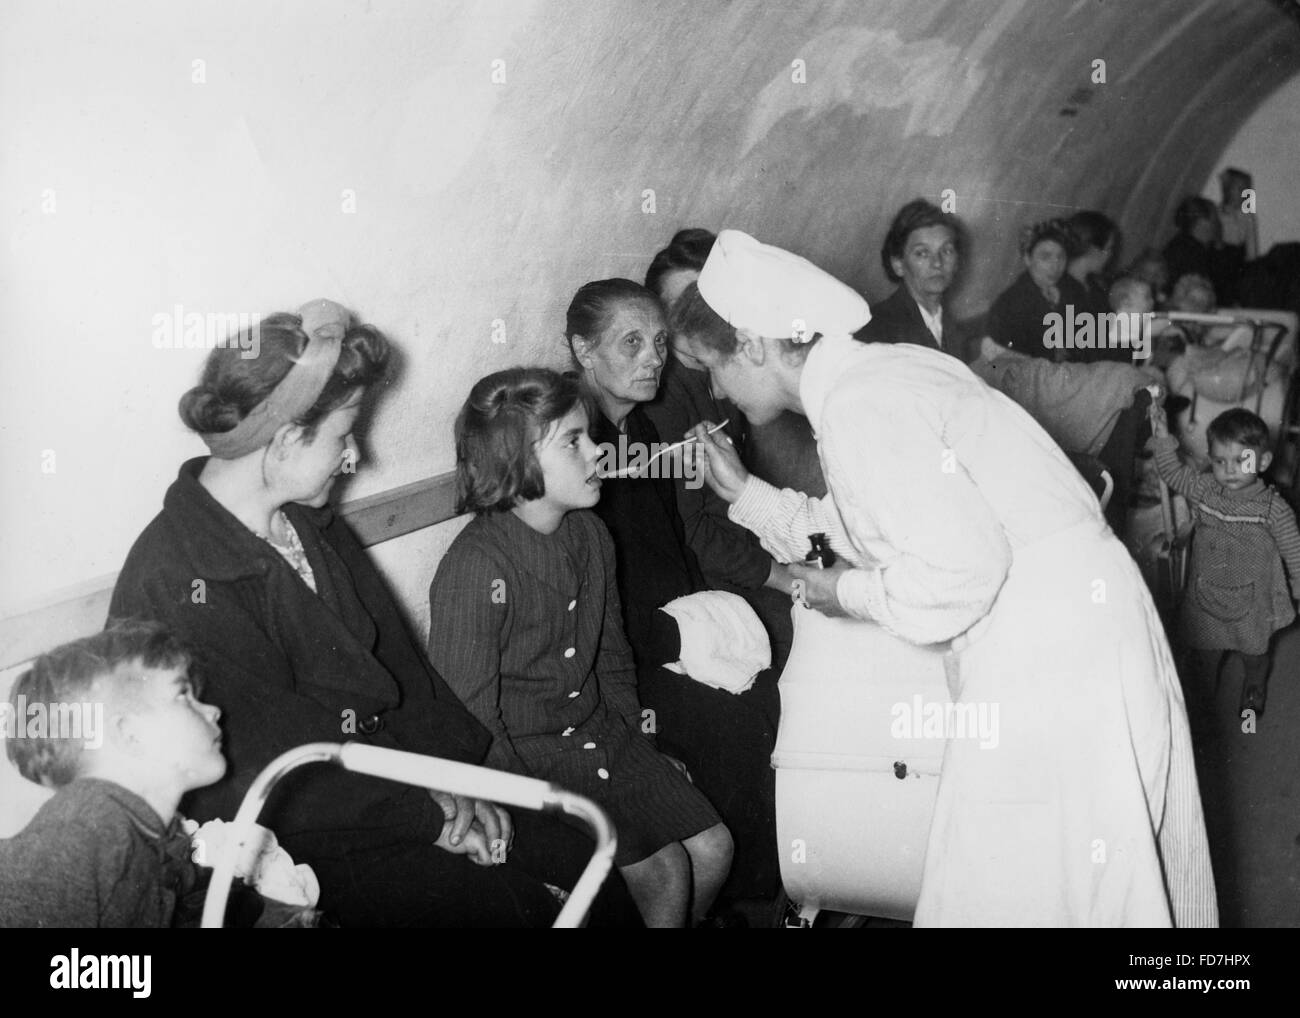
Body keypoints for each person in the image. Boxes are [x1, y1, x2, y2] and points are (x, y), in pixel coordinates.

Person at [673, 228, 1218, 927]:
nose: (714, 388)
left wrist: (843, 592)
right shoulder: (878, 373)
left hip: (1050, 646)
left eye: (713, 367)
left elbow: (960, 572)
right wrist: (746, 493)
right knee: (1066, 884)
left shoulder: (860, 404)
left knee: (1014, 887)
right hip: (1075, 621)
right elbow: (865, 525)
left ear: (751, 344)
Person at [108, 299, 636, 927]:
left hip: (393, 787)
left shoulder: (308, 528)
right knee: (509, 907)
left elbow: (409, 680)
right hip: (291, 841)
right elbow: (270, 773)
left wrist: (468, 783)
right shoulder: (178, 577)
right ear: (283, 441)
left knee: (584, 858)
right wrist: (432, 816)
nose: (355, 456)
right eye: (342, 435)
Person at [428, 368, 732, 926]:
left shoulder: (591, 534)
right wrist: (530, 806)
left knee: (715, 848)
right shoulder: (476, 566)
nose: (597, 452)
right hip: (529, 762)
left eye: (589, 435)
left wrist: (644, 747)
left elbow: (612, 660)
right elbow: (468, 717)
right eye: (574, 441)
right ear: (516, 462)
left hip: (605, 739)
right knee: (666, 874)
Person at [565, 278, 781, 903]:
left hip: (672, 628)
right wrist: (680, 638)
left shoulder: (645, 436)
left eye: (659, 342)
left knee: (758, 690)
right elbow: (590, 596)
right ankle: (743, 899)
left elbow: (674, 548)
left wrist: (713, 626)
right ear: (583, 351)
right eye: (630, 343)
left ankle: (756, 895)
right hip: (618, 653)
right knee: (721, 718)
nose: (652, 358)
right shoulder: (579, 451)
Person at [0, 621, 225, 927]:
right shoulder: (82, 831)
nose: (213, 711)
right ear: (129, 733)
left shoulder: (159, 832)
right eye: (183, 694)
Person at [643, 229, 796, 668]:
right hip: (712, 579)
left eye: (704, 302)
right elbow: (695, 533)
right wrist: (783, 577)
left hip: (751, 555)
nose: (692, 319)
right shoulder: (663, 397)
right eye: (677, 308)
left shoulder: (730, 370)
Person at [1149, 406, 1300, 718]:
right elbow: (1174, 474)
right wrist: (1164, 439)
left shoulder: (1275, 510)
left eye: (1241, 460)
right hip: (1206, 596)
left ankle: (1254, 685)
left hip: (1252, 603)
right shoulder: (1205, 489)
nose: (1229, 470)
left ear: (1263, 461)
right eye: (1219, 461)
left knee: (1254, 654)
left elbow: (1295, 553)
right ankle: (1200, 707)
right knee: (1203, 657)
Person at [854, 198, 966, 359]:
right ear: (898, 264)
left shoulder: (951, 327)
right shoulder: (877, 329)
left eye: (947, 250)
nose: (937, 263)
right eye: (922, 253)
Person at [986, 219, 1090, 360]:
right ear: (1028, 259)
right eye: (1045, 257)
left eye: (1061, 257)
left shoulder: (1072, 289)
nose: (1055, 266)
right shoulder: (1010, 305)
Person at [1216, 168, 1259, 306]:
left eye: (1246, 189)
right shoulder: (1217, 214)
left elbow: (1251, 253)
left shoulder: (1247, 216)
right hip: (1221, 264)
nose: (1243, 193)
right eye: (1239, 188)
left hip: (1240, 266)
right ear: (1227, 189)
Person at [1164, 196, 1220, 293]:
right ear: (1202, 222)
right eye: (1214, 219)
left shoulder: (1181, 243)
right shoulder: (1191, 251)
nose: (1218, 224)